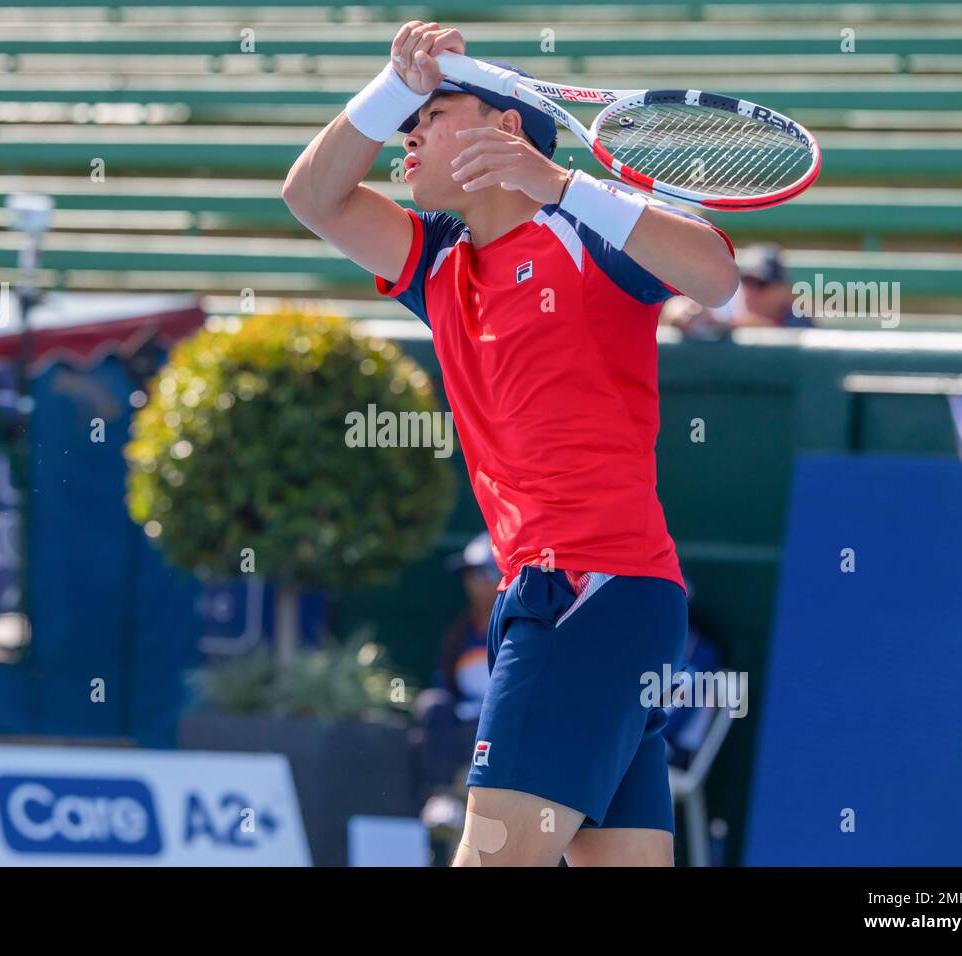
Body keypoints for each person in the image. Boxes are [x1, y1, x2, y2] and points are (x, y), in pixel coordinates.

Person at [283, 22, 737, 866]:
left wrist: (563, 183)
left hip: (588, 595)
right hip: (578, 602)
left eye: (431, 112)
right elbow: (311, 197)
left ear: (504, 131)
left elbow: (715, 275)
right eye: (406, 116)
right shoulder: (437, 262)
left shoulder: (590, 233)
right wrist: (396, 84)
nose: (406, 132)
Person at [410, 532, 495, 802]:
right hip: (465, 718)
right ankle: (441, 797)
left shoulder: (522, 630)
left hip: (504, 721)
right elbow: (444, 684)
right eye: (469, 575)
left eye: (482, 573)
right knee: (431, 705)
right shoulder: (460, 634)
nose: (473, 583)